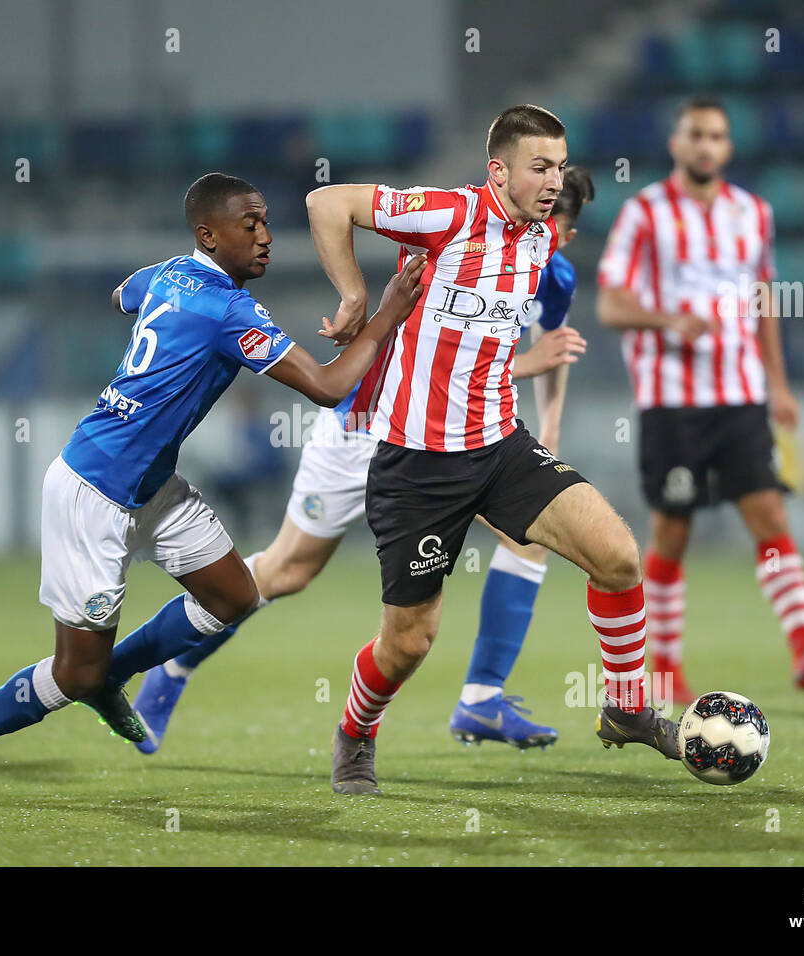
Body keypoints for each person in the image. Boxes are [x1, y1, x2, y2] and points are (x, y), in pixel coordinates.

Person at [0, 172, 426, 801]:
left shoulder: (172, 275)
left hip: (152, 485)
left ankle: (109, 676)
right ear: (209, 235)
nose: (266, 237)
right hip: (93, 491)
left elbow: (120, 295)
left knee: (234, 596)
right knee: (74, 672)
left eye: (265, 222)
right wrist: (387, 315)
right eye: (251, 226)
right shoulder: (225, 308)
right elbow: (327, 387)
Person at [116, 169, 597, 755]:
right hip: (365, 424)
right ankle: (171, 670)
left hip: (454, 440)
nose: (552, 235)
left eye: (559, 227)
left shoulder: (553, 271)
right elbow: (423, 349)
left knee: (529, 537)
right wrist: (526, 364)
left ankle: (480, 698)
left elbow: (554, 350)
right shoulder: (461, 241)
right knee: (287, 571)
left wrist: (545, 435)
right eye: (552, 222)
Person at [307, 104, 679, 797]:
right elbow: (326, 202)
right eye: (540, 167)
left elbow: (490, 342)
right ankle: (356, 732)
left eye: (560, 167)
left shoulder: (540, 244)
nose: (553, 181)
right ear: (497, 170)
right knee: (409, 643)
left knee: (620, 558)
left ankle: (626, 706)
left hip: (501, 447)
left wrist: (540, 385)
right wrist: (356, 293)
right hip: (416, 465)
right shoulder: (446, 212)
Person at [595, 95, 804, 700]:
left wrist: (779, 384)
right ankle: (662, 667)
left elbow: (765, 301)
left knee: (769, 513)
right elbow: (611, 303)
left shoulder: (754, 213)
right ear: (676, 143)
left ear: (728, 147)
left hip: (740, 393)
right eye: (695, 134)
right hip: (672, 399)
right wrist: (668, 320)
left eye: (716, 136)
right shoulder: (644, 213)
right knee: (673, 532)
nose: (705, 145)